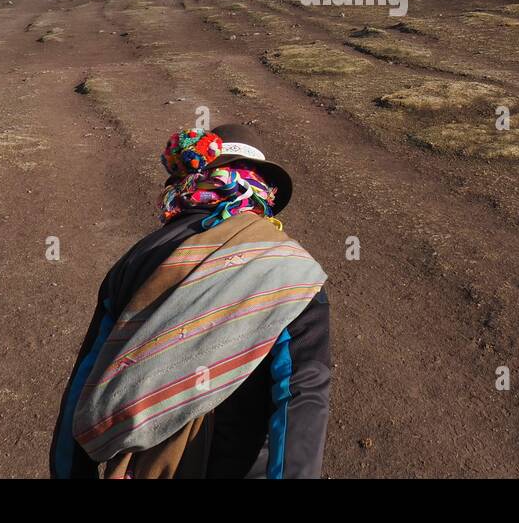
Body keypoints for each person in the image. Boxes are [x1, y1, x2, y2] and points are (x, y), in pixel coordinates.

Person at [49, 123, 331, 478]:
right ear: (260, 187)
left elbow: (85, 381)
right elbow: (303, 396)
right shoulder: (289, 268)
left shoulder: (138, 258)